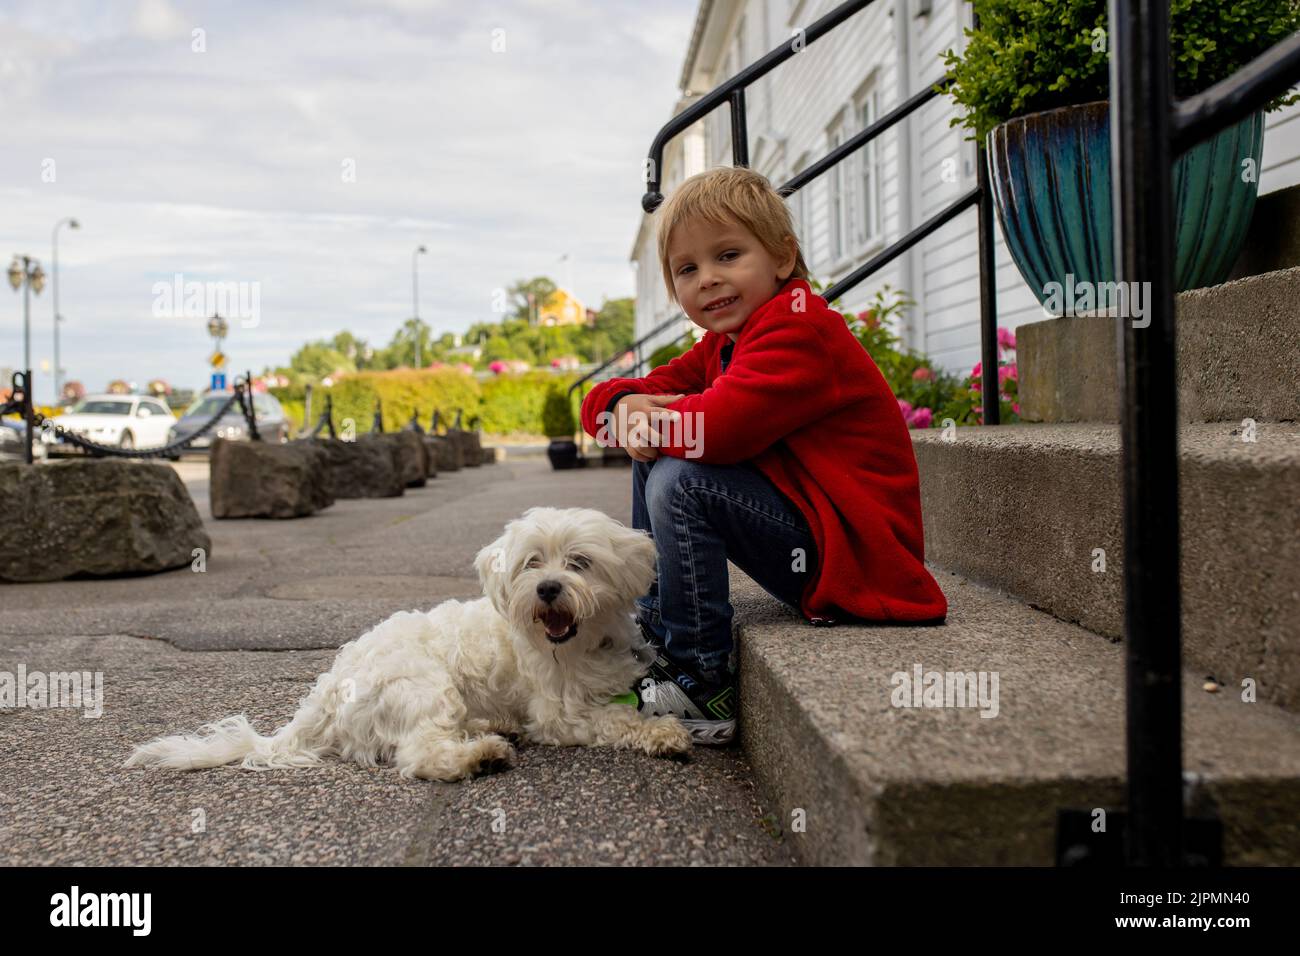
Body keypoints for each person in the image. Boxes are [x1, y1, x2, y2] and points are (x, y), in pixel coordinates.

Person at [580, 166, 947, 746]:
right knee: (657, 451)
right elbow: (613, 403)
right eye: (688, 269)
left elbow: (721, 432)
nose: (709, 280)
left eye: (728, 255)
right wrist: (622, 405)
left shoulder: (799, 330)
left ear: (781, 256)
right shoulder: (724, 342)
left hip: (855, 554)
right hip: (811, 535)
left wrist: (646, 415)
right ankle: (652, 632)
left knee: (681, 476)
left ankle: (700, 673)